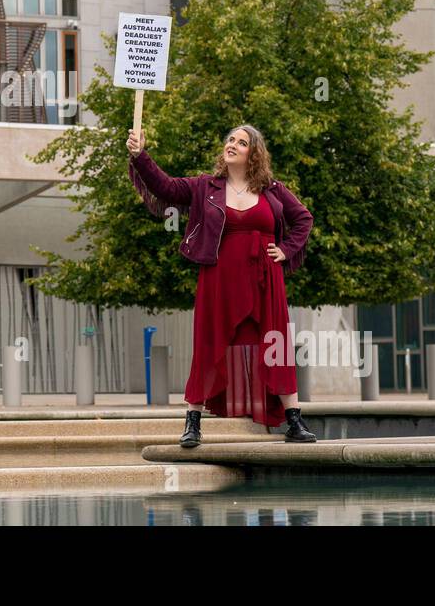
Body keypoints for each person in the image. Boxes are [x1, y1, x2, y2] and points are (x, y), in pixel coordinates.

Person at [127, 124, 317, 445]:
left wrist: (285, 250)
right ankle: (192, 423)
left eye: (241, 142)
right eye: (230, 139)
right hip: (219, 279)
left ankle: (294, 420)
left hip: (264, 279)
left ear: (252, 153)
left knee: (275, 342)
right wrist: (140, 155)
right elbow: (166, 188)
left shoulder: (272, 189)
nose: (232, 145)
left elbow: (303, 218)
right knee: (208, 343)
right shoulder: (205, 187)